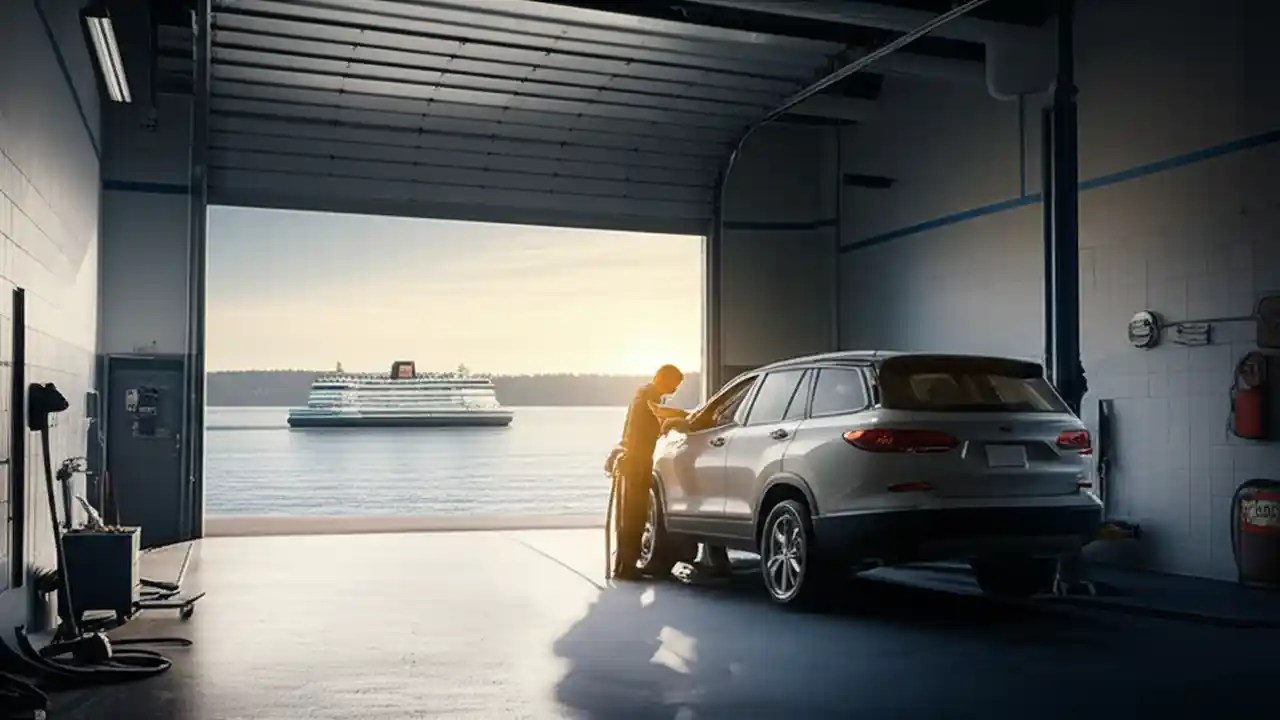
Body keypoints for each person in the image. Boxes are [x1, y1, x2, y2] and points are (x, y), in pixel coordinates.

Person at [610, 364, 684, 580]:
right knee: (635, 515)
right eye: (675, 384)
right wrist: (681, 418)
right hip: (638, 461)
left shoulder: (642, 394)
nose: (675, 389)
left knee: (631, 515)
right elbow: (657, 415)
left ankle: (624, 566)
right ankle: (627, 567)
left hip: (636, 459)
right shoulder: (648, 394)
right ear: (664, 378)